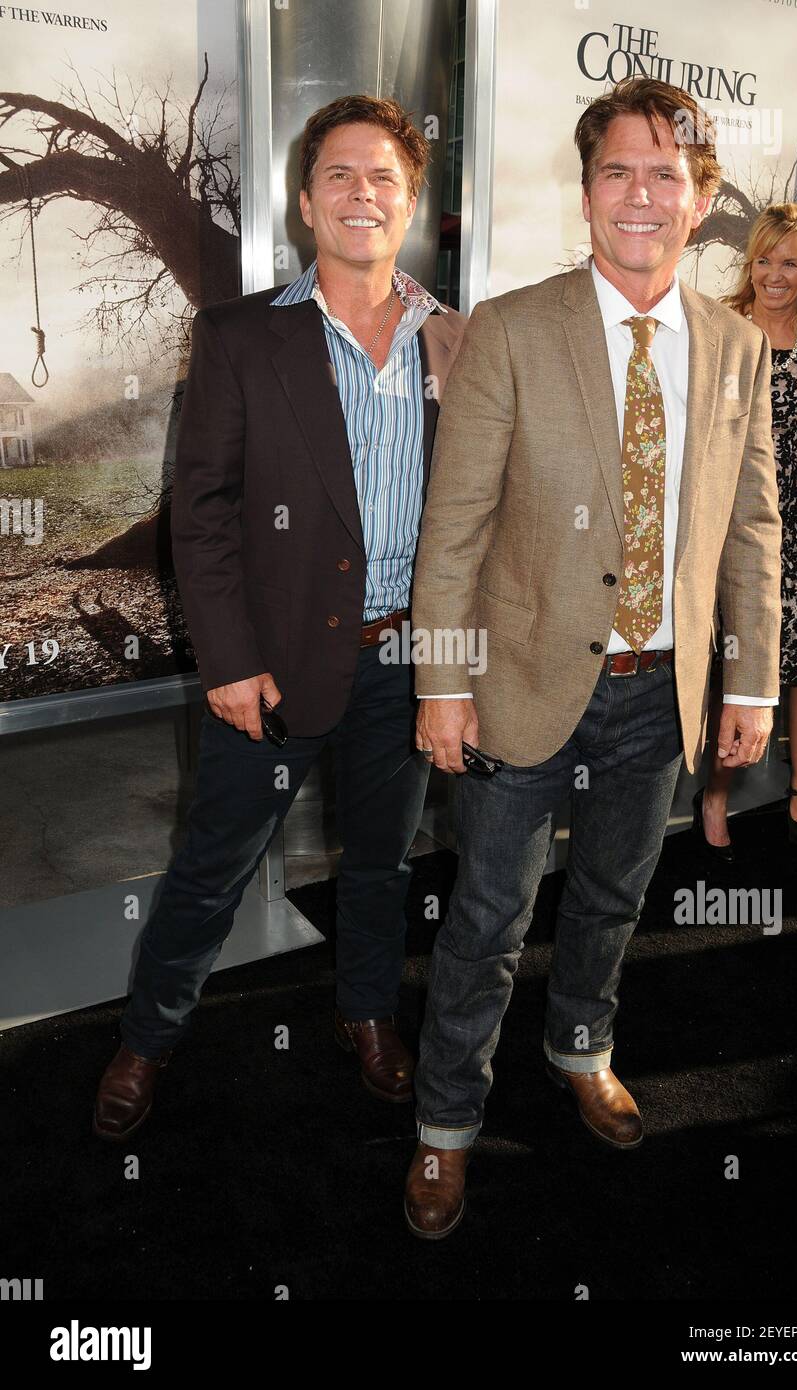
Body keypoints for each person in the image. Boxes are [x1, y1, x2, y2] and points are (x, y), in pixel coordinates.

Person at [402, 76, 782, 1240]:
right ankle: (444, 1128)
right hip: (516, 685)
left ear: (699, 198)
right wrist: (442, 681)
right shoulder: (513, 329)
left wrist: (752, 679)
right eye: (616, 171)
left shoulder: (733, 349)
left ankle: (582, 1047)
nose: (638, 195)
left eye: (664, 175)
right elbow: (452, 526)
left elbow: (753, 522)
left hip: (657, 700)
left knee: (613, 899)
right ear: (583, 194)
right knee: (484, 921)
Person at [92, 96, 466, 1140]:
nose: (362, 193)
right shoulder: (241, 337)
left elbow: (475, 515)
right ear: (306, 203)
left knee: (383, 865)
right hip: (271, 669)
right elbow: (202, 513)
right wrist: (229, 659)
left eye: (383, 176)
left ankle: (365, 1014)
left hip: (401, 660)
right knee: (213, 865)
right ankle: (146, 1038)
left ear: (412, 201)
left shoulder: (456, 341)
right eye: (339, 175)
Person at [697, 205, 797, 856]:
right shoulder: (716, 328)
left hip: (787, 524)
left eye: (790, 261)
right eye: (764, 259)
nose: (773, 274)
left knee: (757, 665)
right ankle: (707, 798)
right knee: (703, 663)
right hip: (713, 515)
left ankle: (722, 789)